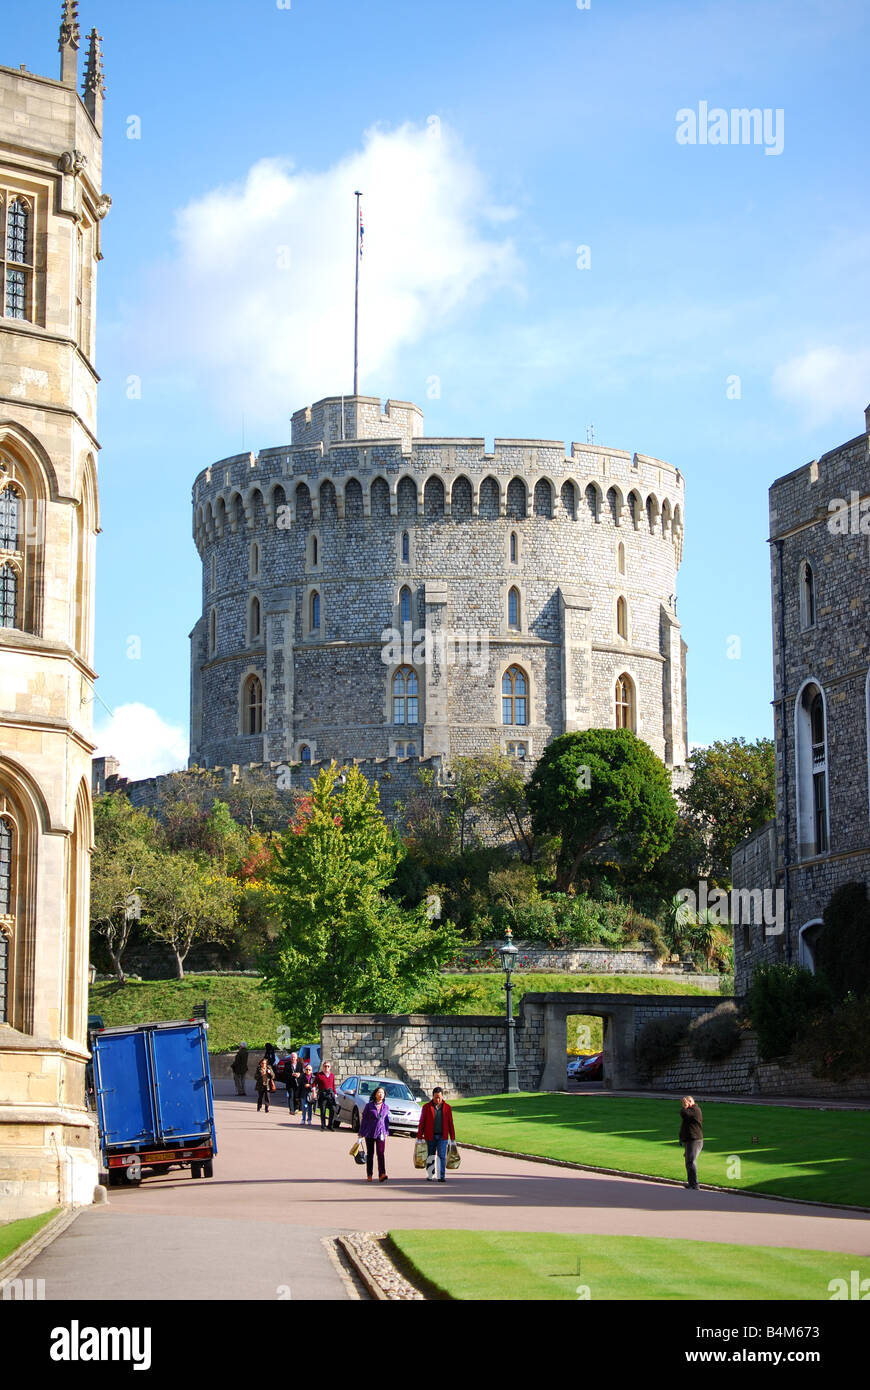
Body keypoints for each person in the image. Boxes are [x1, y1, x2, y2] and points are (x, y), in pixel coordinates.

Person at [417, 1086, 456, 1182]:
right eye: (435, 1097)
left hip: (442, 1136)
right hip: (430, 1135)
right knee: (430, 1155)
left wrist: (453, 1137)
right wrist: (419, 1136)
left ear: (442, 1096)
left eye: (439, 1097)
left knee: (442, 1156)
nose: (437, 1099)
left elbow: (450, 1123)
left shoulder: (447, 1108)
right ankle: (430, 1174)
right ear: (432, 1097)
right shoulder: (426, 1107)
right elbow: (422, 1122)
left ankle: (441, 1176)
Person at [359, 1085, 390, 1182]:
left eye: (382, 1093)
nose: (381, 1095)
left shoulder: (386, 1107)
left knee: (381, 1153)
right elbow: (364, 1119)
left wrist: (387, 1131)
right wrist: (361, 1132)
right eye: (379, 1093)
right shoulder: (369, 1106)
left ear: (384, 1096)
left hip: (381, 1133)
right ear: (375, 1094)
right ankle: (369, 1174)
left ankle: (382, 1174)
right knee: (370, 1154)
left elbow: (386, 1120)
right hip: (370, 1132)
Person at [679, 1095, 703, 1189]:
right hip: (690, 1140)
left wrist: (685, 1107)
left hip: (695, 1140)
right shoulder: (690, 1110)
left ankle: (695, 1184)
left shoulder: (695, 1110)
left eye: (685, 1103)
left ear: (690, 1101)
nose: (684, 1105)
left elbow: (684, 1114)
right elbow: (685, 1123)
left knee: (691, 1161)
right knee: (688, 1162)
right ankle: (691, 1183)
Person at [315, 1062, 337, 1130]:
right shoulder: (319, 1075)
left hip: (330, 1094)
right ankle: (323, 1125)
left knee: (333, 1109)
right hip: (322, 1094)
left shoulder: (332, 1075)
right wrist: (314, 1091)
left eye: (328, 1066)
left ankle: (330, 1125)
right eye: (325, 1066)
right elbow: (314, 1084)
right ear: (323, 1067)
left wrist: (335, 1094)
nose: (326, 1067)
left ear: (330, 1067)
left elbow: (333, 1085)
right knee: (323, 1110)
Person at [284, 1051, 303, 1115]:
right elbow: (285, 1074)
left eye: (294, 1057)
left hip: (297, 1083)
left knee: (296, 1096)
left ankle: (296, 1108)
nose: (293, 1059)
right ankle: (291, 1110)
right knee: (291, 1096)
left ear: (296, 1058)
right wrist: (292, 1074)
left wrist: (299, 1074)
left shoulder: (300, 1064)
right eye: (292, 1057)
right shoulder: (287, 1064)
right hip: (290, 1083)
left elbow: (302, 1073)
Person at [299, 1062, 317, 1126]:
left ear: (311, 1071)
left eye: (309, 1070)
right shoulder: (302, 1076)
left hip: (310, 1094)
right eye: (307, 1069)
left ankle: (309, 1119)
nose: (308, 1071)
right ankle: (303, 1119)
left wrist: (310, 1086)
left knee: (309, 1108)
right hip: (303, 1093)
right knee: (304, 1107)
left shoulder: (314, 1077)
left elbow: (315, 1086)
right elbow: (299, 1085)